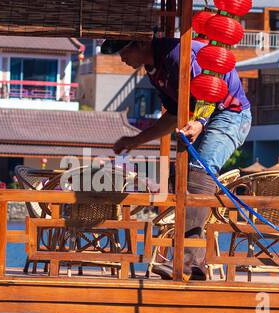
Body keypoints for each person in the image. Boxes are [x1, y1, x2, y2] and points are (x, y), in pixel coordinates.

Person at [107, 36, 252, 280]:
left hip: (230, 114)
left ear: (141, 44)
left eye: (123, 51)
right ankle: (190, 263)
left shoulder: (176, 55)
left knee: (197, 171)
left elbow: (210, 89)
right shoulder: (154, 71)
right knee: (183, 178)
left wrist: (200, 122)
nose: (122, 59)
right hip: (206, 118)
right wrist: (135, 141)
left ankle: (189, 263)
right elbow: (173, 115)